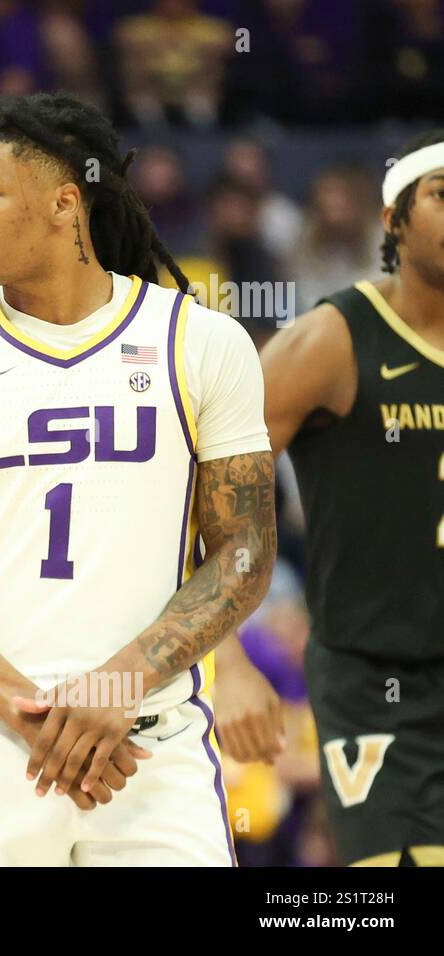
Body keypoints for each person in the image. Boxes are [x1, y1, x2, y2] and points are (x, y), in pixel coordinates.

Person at [0, 92, 276, 866]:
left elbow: (244, 549)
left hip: (151, 739)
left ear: (63, 204)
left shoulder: (200, 342)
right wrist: (36, 717)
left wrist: (120, 684)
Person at [249, 130, 444, 866]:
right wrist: (232, 650)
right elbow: (208, 477)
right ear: (392, 223)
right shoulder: (332, 338)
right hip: (377, 677)